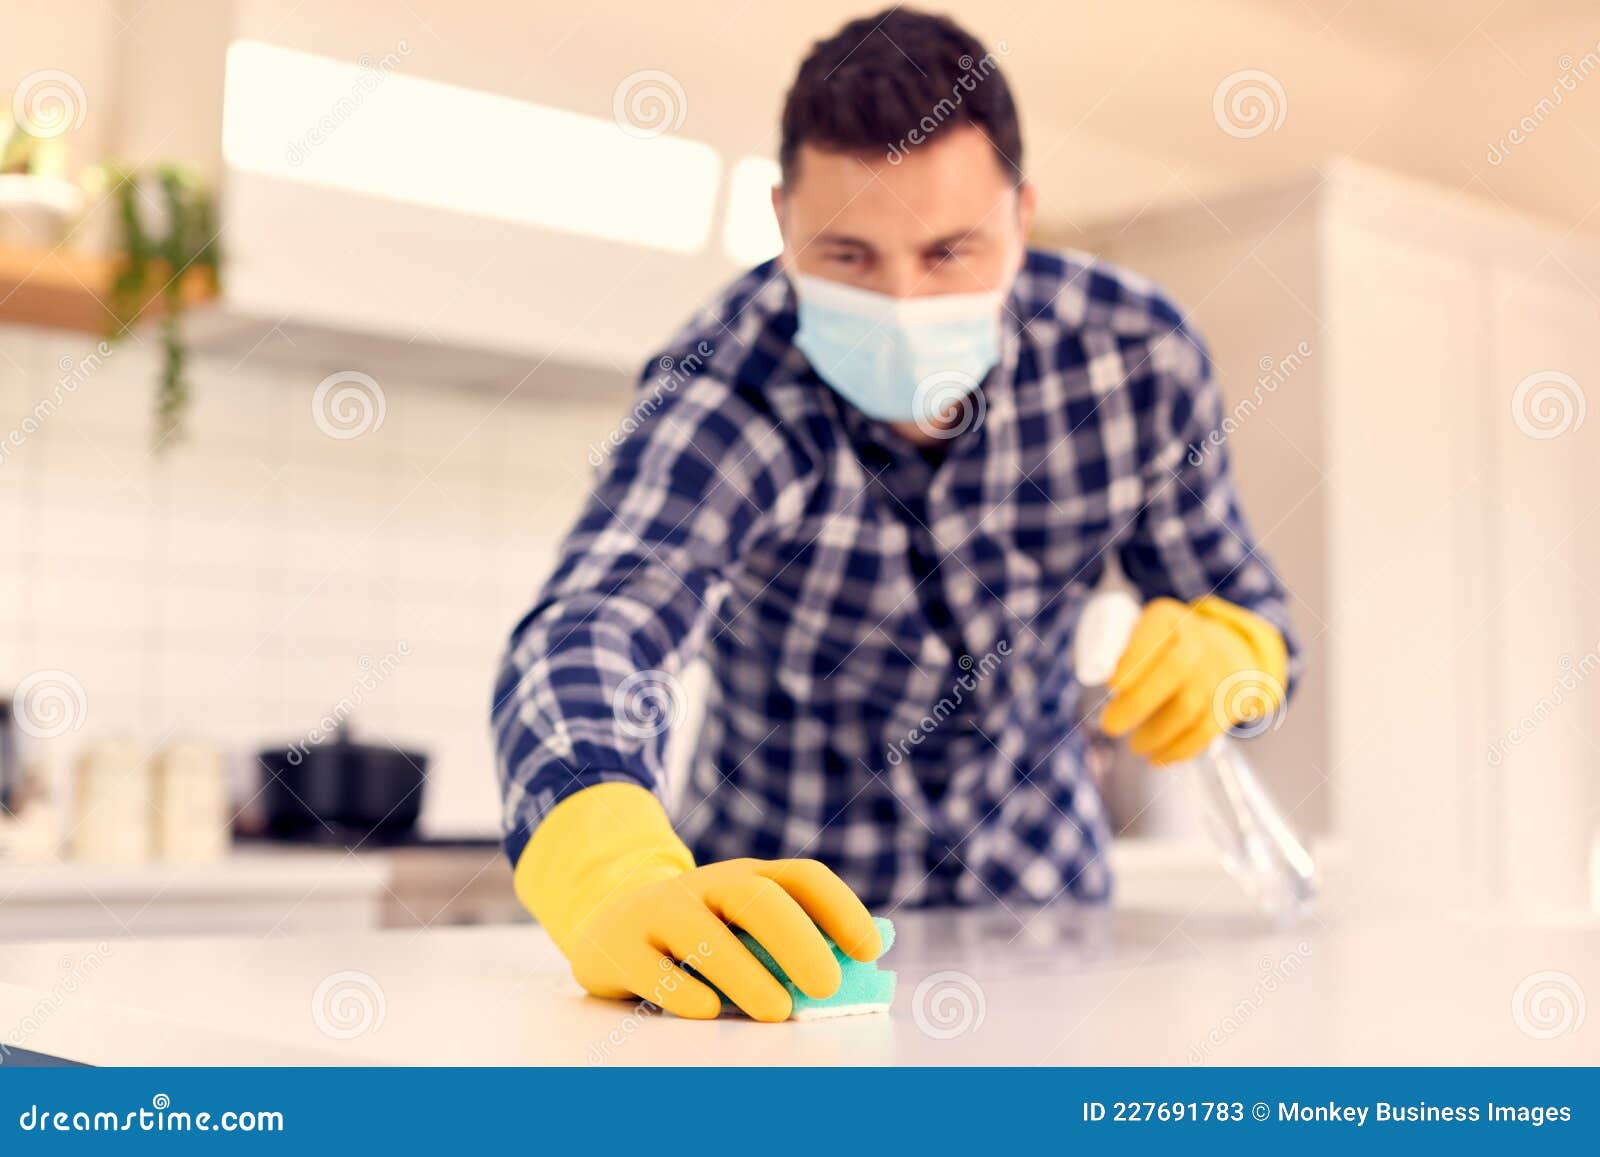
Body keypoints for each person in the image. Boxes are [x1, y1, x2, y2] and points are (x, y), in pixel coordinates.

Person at [493, 7, 1296, 1022]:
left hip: (1050, 927)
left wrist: (1235, 658)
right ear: (784, 220)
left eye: (950, 251)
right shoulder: (727, 382)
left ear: (1022, 215)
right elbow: (596, 625)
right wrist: (609, 869)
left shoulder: (1134, 358)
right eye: (849, 257)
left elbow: (1248, 611)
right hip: (774, 956)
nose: (906, 302)